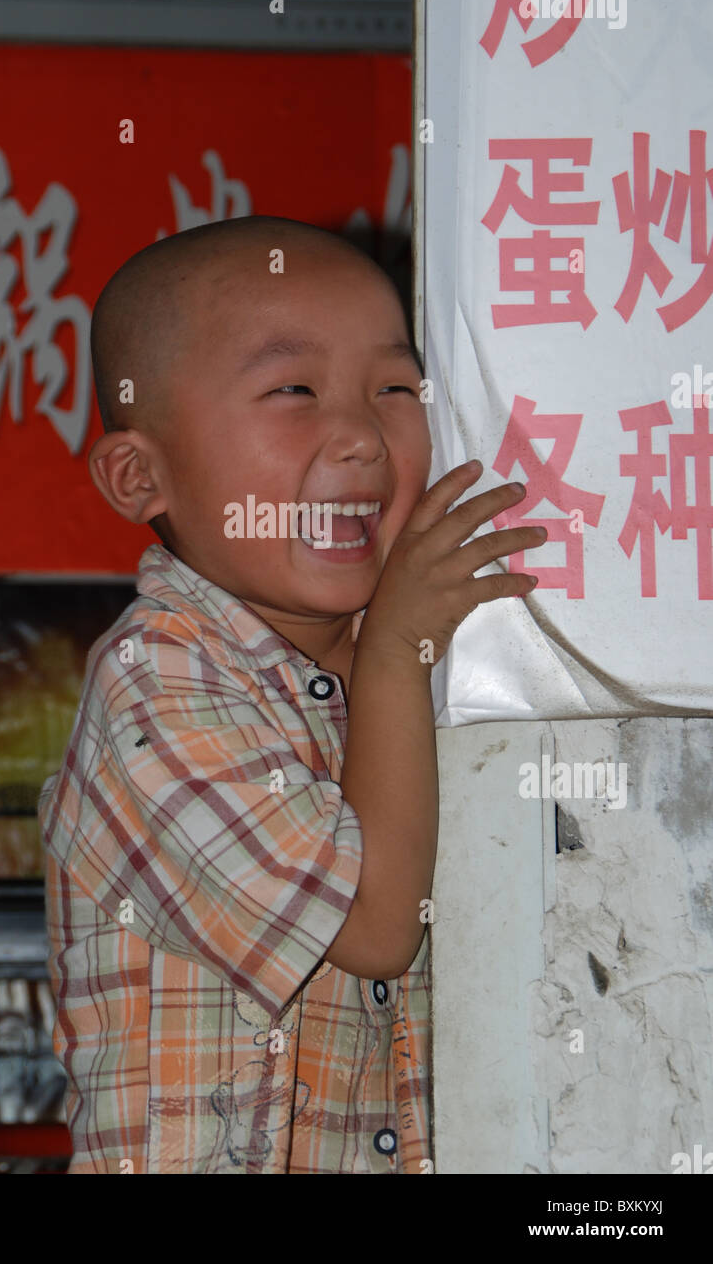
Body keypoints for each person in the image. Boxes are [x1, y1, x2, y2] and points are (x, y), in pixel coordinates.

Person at [38, 215, 543, 1174]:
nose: (360, 434)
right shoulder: (154, 681)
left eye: (396, 388)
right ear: (140, 474)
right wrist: (397, 649)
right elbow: (376, 926)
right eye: (293, 390)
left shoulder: (428, 660)